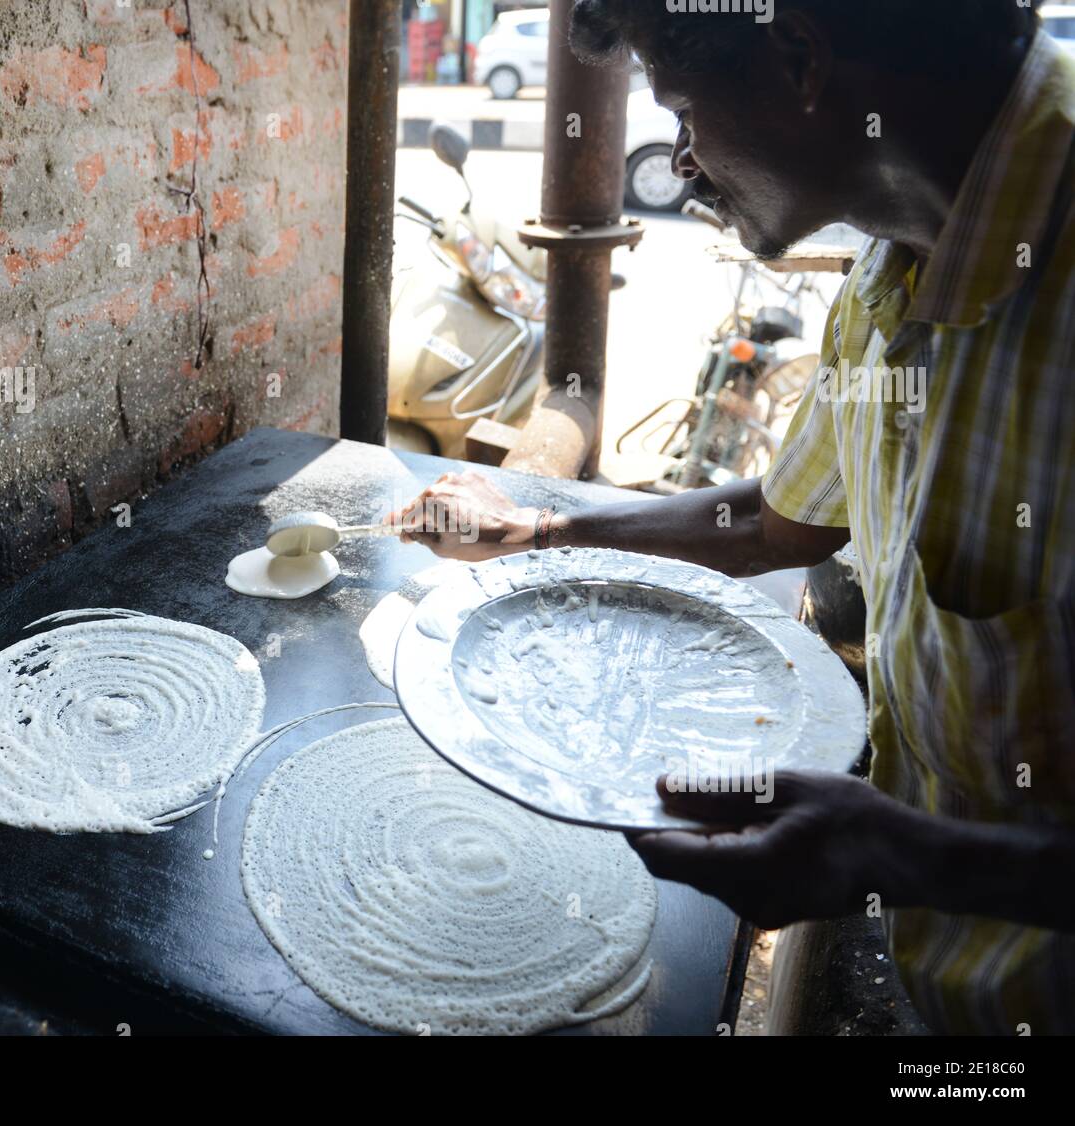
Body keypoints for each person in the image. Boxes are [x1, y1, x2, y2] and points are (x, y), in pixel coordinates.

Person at [384, 0, 1075, 1035]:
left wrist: (917, 856)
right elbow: (782, 521)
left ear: (798, 56)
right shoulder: (892, 270)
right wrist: (537, 531)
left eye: (682, 110)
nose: (687, 163)